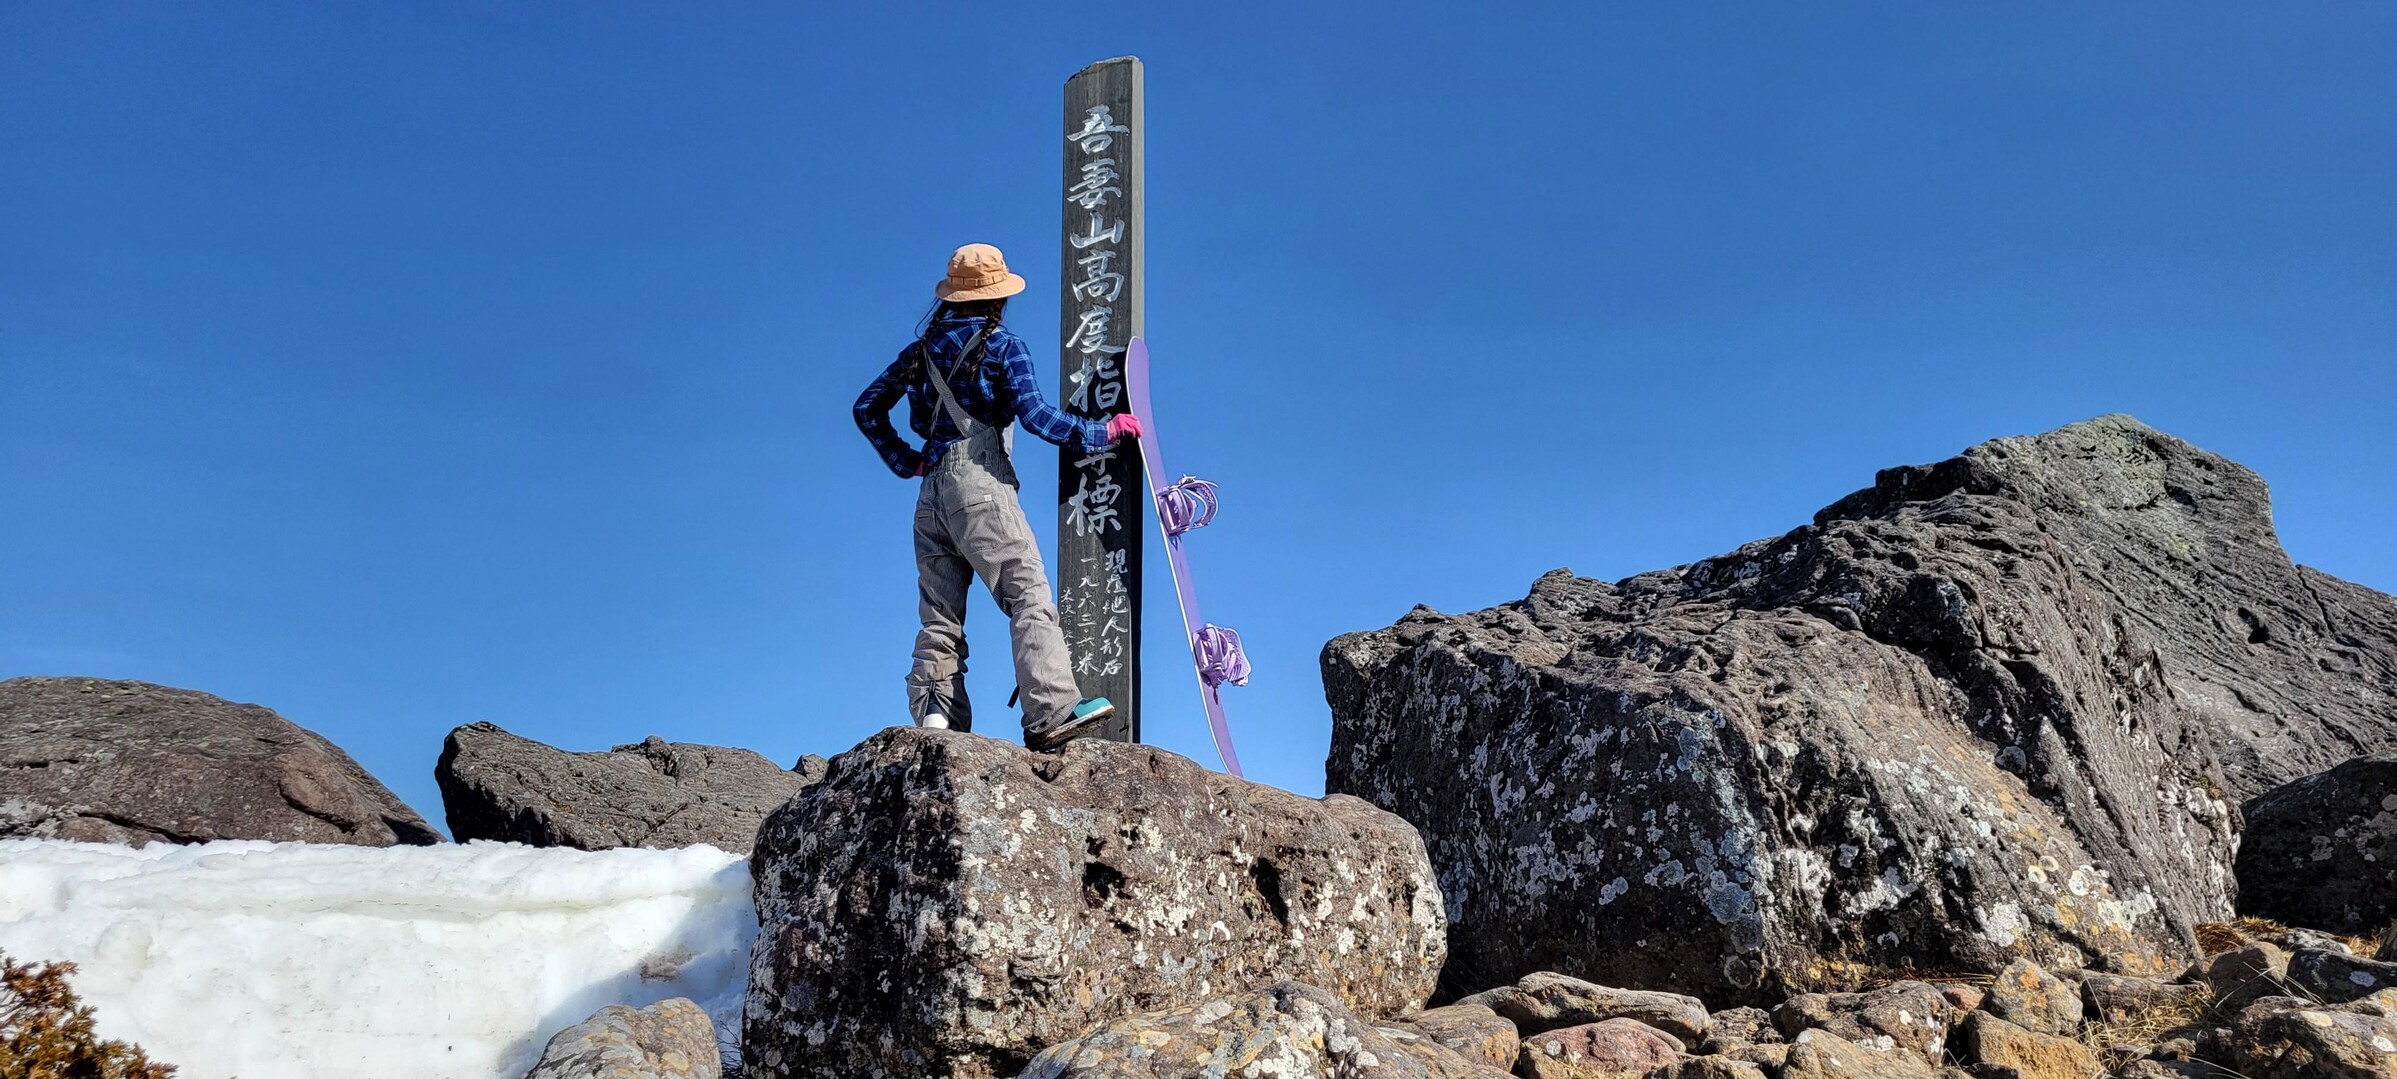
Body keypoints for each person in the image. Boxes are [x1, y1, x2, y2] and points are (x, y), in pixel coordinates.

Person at [852, 242, 1140, 751]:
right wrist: (1105, 432)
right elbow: (1037, 417)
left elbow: (867, 408)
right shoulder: (1004, 346)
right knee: (1026, 595)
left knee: (940, 615)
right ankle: (1052, 709)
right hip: (980, 486)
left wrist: (907, 460)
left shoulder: (919, 352)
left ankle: (937, 717)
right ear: (998, 297)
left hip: (930, 494)